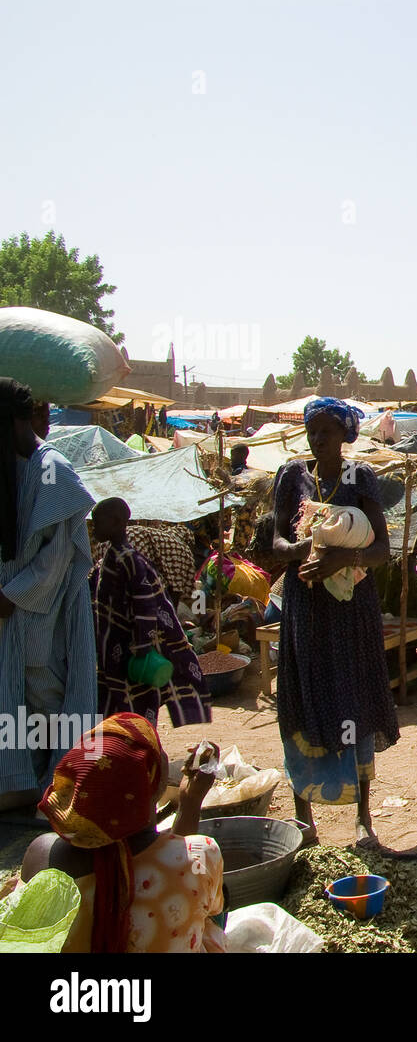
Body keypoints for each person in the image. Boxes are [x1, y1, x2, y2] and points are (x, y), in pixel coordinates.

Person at [271, 397, 399, 845]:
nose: (318, 438)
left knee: (354, 699)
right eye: (313, 430)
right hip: (305, 610)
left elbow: (384, 549)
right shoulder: (292, 477)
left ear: (346, 435)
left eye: (327, 430)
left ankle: (364, 817)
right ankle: (304, 819)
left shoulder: (359, 477)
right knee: (304, 695)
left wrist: (345, 557)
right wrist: (303, 551)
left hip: (350, 612)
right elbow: (274, 540)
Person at [21, 714, 225, 952]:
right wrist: (191, 805)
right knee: (212, 916)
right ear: (153, 782)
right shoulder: (201, 854)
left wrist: (188, 802)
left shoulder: (44, 855)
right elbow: (179, 875)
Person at [0, 379, 98, 808]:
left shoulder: (51, 467)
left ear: (15, 421)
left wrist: (11, 595)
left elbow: (57, 558)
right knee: (18, 702)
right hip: (13, 611)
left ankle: (63, 793)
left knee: (50, 699)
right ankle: (28, 786)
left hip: (45, 611)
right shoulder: (10, 464)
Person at [88, 498, 211, 728]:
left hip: (132, 654)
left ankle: (146, 757)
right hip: (114, 653)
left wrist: (143, 645)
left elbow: (146, 604)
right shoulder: (110, 559)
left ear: (115, 522)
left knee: (137, 715)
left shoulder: (131, 561)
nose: (93, 529)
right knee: (117, 712)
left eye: (97, 523)